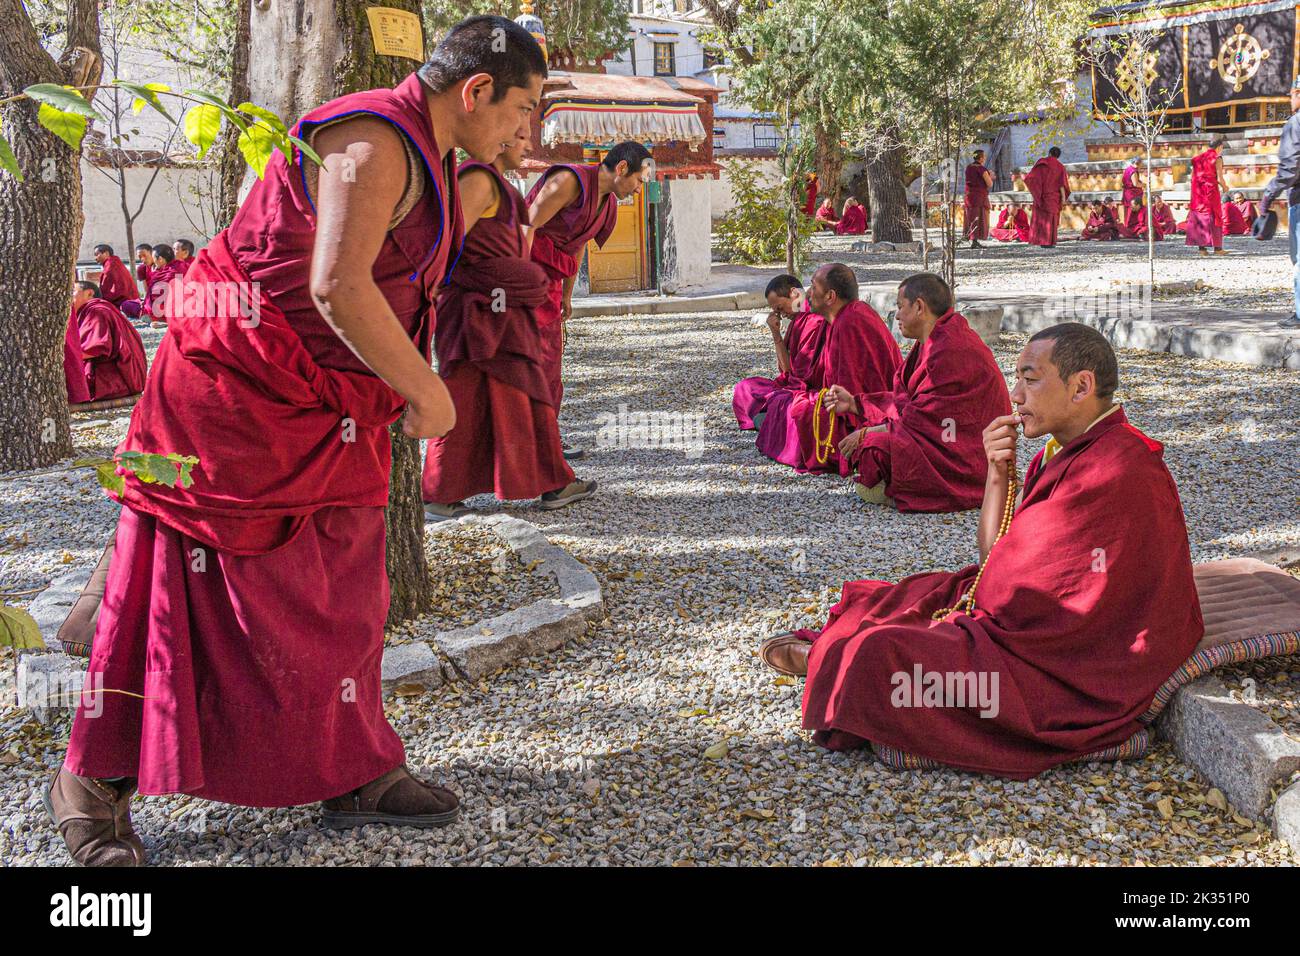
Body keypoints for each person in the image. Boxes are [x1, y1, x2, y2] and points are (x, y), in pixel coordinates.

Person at [49, 15, 548, 867]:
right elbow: (336, 286)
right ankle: (91, 783)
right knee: (168, 587)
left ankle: (354, 765)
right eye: (523, 108)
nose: (525, 131)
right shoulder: (374, 141)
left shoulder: (438, 155)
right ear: (476, 92)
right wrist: (427, 393)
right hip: (235, 397)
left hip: (326, 409)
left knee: (341, 593)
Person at [759, 323, 1203, 779]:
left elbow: (1018, 589)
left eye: (1030, 379)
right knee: (908, 595)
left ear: (1081, 386)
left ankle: (830, 661)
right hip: (1026, 617)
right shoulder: (1065, 449)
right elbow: (997, 555)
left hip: (1072, 663)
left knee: (882, 652)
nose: (1015, 394)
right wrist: (996, 471)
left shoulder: (1118, 468)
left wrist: (972, 612)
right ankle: (839, 659)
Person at [422, 131, 596, 516]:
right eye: (519, 136)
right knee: (468, 398)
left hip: (502, 314)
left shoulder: (502, 186)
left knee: (518, 398)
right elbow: (443, 246)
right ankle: (438, 492)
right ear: (498, 141)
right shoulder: (479, 180)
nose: (527, 146)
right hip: (477, 313)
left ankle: (552, 482)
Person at [826, 273, 1010, 511]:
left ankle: (934, 490)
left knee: (873, 449)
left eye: (901, 307)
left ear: (920, 307)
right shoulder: (934, 339)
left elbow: (927, 419)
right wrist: (855, 404)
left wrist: (866, 432)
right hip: (944, 434)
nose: (898, 316)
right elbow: (914, 404)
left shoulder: (952, 349)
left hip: (965, 452)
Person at [526, 140, 651, 457]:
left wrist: (567, 294)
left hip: (551, 287)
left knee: (550, 366)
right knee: (524, 365)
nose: (639, 190)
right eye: (638, 181)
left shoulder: (606, 202)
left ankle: (546, 440)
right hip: (524, 282)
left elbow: (578, 242)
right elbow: (524, 228)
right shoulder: (569, 181)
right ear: (622, 168)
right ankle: (526, 445)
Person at [754, 263, 901, 475]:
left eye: (813, 287)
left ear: (830, 296)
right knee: (787, 404)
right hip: (854, 403)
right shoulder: (841, 319)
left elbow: (853, 396)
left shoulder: (850, 322)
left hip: (865, 413)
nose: (808, 293)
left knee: (794, 409)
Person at [733, 274, 827, 431]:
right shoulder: (797, 320)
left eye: (780, 308)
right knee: (745, 387)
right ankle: (773, 418)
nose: (781, 314)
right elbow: (785, 371)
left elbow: (797, 375)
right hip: (791, 385)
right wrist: (776, 333)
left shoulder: (814, 320)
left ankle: (774, 419)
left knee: (788, 402)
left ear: (795, 294)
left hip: (810, 390)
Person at [1259, 75, 1300, 329]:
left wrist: (1269, 194)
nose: (1290, 98)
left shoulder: (1296, 122)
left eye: (1292, 93)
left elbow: (1290, 167)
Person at [63, 280, 147, 404]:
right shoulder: (92, 311)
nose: (68, 298)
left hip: (115, 382)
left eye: (72, 292)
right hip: (124, 378)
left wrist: (62, 358)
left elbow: (95, 348)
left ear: (89, 293)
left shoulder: (97, 312)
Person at [1185, 134, 1229, 254]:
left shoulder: (1197, 158)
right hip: (1210, 192)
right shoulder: (1217, 158)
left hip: (1198, 192)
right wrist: (1225, 187)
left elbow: (1193, 176)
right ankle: (1218, 249)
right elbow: (1219, 178)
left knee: (1200, 217)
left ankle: (1202, 249)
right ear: (1219, 147)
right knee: (1214, 217)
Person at [1023, 146, 1071, 247]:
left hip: (1041, 195)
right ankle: (1050, 242)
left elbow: (1031, 178)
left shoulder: (1042, 162)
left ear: (1049, 153)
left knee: (1042, 219)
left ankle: (1042, 241)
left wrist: (1036, 191)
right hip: (1053, 197)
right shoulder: (1060, 166)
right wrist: (1063, 198)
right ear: (1058, 156)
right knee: (1051, 220)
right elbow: (1062, 184)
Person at [141, 243, 182, 322]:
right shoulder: (183, 265)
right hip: (187, 308)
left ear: (160, 259)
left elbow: (153, 301)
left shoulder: (162, 275)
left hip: (165, 311)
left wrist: (145, 305)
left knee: (126, 305)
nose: (153, 261)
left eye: (154, 258)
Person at [91, 244, 138, 309]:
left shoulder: (111, 265)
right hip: (131, 300)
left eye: (97, 254)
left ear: (106, 253)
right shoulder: (115, 262)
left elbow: (108, 290)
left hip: (122, 303)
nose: (95, 258)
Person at [963, 149, 993, 248]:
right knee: (979, 217)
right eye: (984, 156)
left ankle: (973, 239)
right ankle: (975, 240)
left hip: (969, 196)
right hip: (979, 196)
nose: (984, 158)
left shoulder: (968, 167)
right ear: (980, 158)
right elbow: (989, 183)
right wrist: (991, 176)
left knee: (971, 216)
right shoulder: (982, 169)